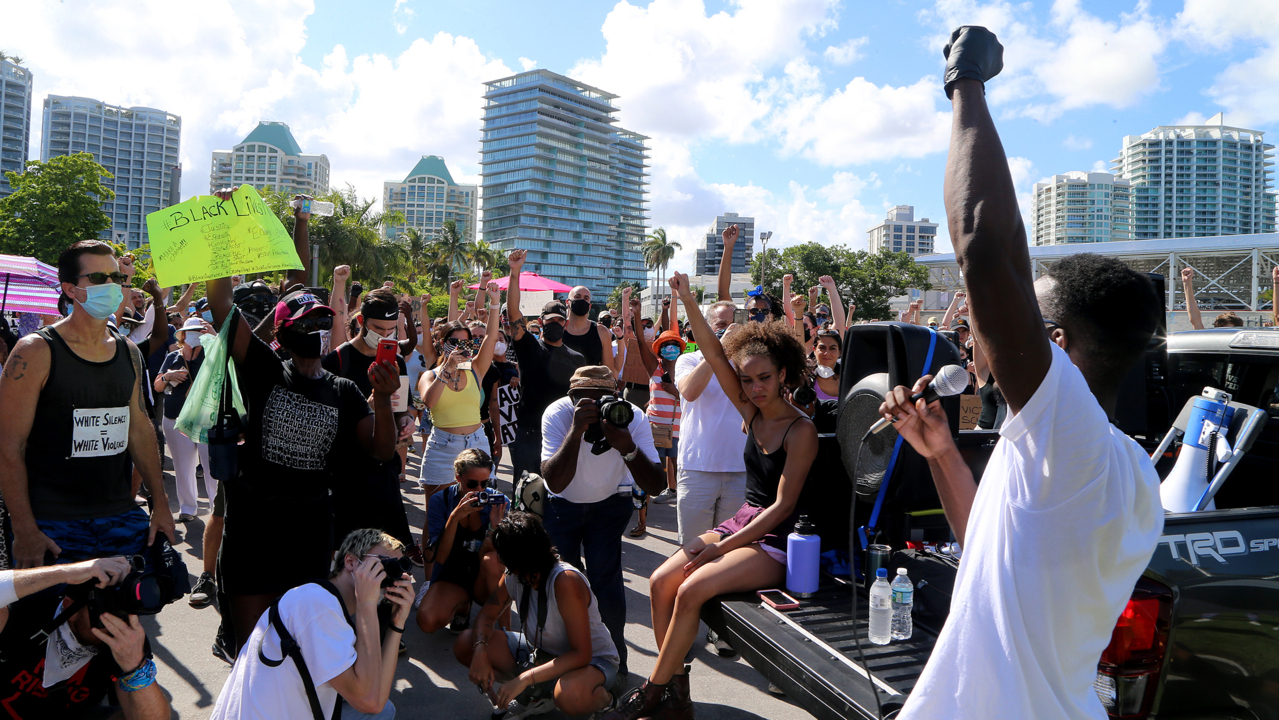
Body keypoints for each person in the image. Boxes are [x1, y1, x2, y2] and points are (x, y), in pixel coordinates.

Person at [882, 27, 1164, 720]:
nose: (987, 332)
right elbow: (991, 552)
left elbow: (985, 250)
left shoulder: (1069, 437)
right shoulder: (1116, 467)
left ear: (1059, 350)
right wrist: (943, 454)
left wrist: (965, 81)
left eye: (1022, 325)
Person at [605, 272, 816, 720]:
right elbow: (715, 352)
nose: (755, 387)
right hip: (741, 525)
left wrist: (721, 544)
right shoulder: (750, 409)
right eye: (748, 380)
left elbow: (782, 507)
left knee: (690, 588)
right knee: (661, 581)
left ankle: (653, 690)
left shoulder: (802, 430)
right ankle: (678, 691)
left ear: (783, 375)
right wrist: (684, 300)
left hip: (776, 538)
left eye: (764, 378)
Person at [205, 190, 401, 652]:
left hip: (311, 529)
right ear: (282, 334)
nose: (315, 332)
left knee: (301, 647)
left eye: (322, 323)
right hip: (253, 525)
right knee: (253, 649)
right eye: (304, 324)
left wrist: (382, 399)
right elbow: (221, 310)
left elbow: (380, 450)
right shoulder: (264, 371)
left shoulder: (344, 391)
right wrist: (221, 228)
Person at [0, 241, 177, 570]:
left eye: (115, 276)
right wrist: (24, 528)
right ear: (70, 288)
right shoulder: (34, 351)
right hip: (51, 523)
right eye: (98, 277)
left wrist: (161, 504)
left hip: (117, 516)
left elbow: (139, 430)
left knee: (129, 614)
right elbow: (8, 445)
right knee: (61, 621)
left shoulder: (128, 352)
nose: (111, 285)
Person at [209, 529, 414, 720]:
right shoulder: (317, 605)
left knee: (384, 710)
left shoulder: (323, 603)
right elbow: (370, 701)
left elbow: (377, 699)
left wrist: (397, 623)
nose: (389, 576)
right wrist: (367, 606)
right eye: (382, 564)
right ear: (351, 562)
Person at [540, 366, 664, 678]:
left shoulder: (631, 416)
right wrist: (576, 432)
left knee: (606, 581)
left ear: (616, 396)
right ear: (571, 398)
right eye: (585, 402)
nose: (595, 409)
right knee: (561, 582)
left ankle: (613, 656)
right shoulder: (558, 414)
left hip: (609, 504)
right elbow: (555, 482)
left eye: (603, 401)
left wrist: (627, 448)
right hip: (562, 506)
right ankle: (562, 654)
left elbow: (656, 485)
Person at [455, 512, 619, 718]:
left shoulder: (564, 581)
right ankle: (540, 693)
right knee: (465, 642)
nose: (504, 566)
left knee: (569, 695)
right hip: (542, 654)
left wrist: (525, 678)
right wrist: (480, 651)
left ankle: (606, 701)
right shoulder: (515, 574)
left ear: (517, 560)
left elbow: (581, 654)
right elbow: (486, 617)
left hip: (592, 661)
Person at [0, 557, 171, 718]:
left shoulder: (125, 640)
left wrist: (135, 666)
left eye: (126, 611)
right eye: (106, 608)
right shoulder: (29, 613)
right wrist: (65, 572)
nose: (116, 622)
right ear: (70, 608)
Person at [322, 287, 419, 556]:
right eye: (379, 328)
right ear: (361, 322)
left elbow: (404, 406)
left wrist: (408, 420)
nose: (385, 336)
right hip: (346, 473)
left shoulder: (395, 359)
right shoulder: (336, 361)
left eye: (391, 331)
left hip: (384, 470)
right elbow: (328, 425)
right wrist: (371, 404)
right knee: (347, 556)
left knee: (386, 555)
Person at [504, 250, 587, 483]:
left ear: (566, 322)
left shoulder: (577, 358)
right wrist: (514, 273)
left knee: (561, 491)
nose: (556, 324)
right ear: (541, 321)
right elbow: (513, 314)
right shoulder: (529, 346)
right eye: (551, 320)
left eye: (560, 320)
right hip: (529, 433)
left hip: (562, 434)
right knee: (526, 493)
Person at [672, 301, 749, 547]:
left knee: (730, 550)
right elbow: (690, 391)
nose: (729, 330)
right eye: (721, 325)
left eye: (734, 325)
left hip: (740, 469)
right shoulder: (689, 360)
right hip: (697, 468)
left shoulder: (750, 365)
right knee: (693, 548)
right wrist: (719, 350)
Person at [417, 284, 501, 493]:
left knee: (476, 510)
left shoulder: (477, 369)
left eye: (466, 342)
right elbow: (429, 402)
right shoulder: (430, 375)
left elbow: (490, 337)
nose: (460, 346)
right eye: (454, 341)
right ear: (442, 342)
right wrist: (448, 368)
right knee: (437, 514)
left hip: (476, 444)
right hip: (443, 446)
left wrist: (495, 303)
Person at [416, 449, 507, 634]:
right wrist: (455, 517)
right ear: (458, 478)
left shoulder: (497, 501)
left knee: (493, 560)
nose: (480, 490)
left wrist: (493, 528)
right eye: (472, 484)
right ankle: (463, 606)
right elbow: (440, 557)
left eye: (485, 483)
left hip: (483, 574)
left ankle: (508, 633)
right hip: (452, 572)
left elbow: (498, 559)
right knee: (427, 620)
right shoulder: (440, 500)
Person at [155, 316, 215, 524]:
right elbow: (157, 386)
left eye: (201, 331)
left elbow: (227, 367)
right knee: (183, 466)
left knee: (211, 467)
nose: (196, 334)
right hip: (175, 417)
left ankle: (218, 511)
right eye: (192, 331)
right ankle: (188, 508)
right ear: (182, 336)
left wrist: (214, 339)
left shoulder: (212, 355)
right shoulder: (173, 357)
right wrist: (167, 376)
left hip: (206, 419)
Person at [559, 284, 618, 375]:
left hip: (590, 387)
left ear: (590, 306)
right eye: (577, 297)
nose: (582, 300)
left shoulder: (601, 331)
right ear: (567, 302)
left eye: (586, 298)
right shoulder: (558, 329)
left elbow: (608, 371)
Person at [813, 329, 842, 401]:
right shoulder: (806, 379)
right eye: (822, 348)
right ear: (814, 350)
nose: (827, 353)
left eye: (832, 348)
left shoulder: (849, 379)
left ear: (840, 352)